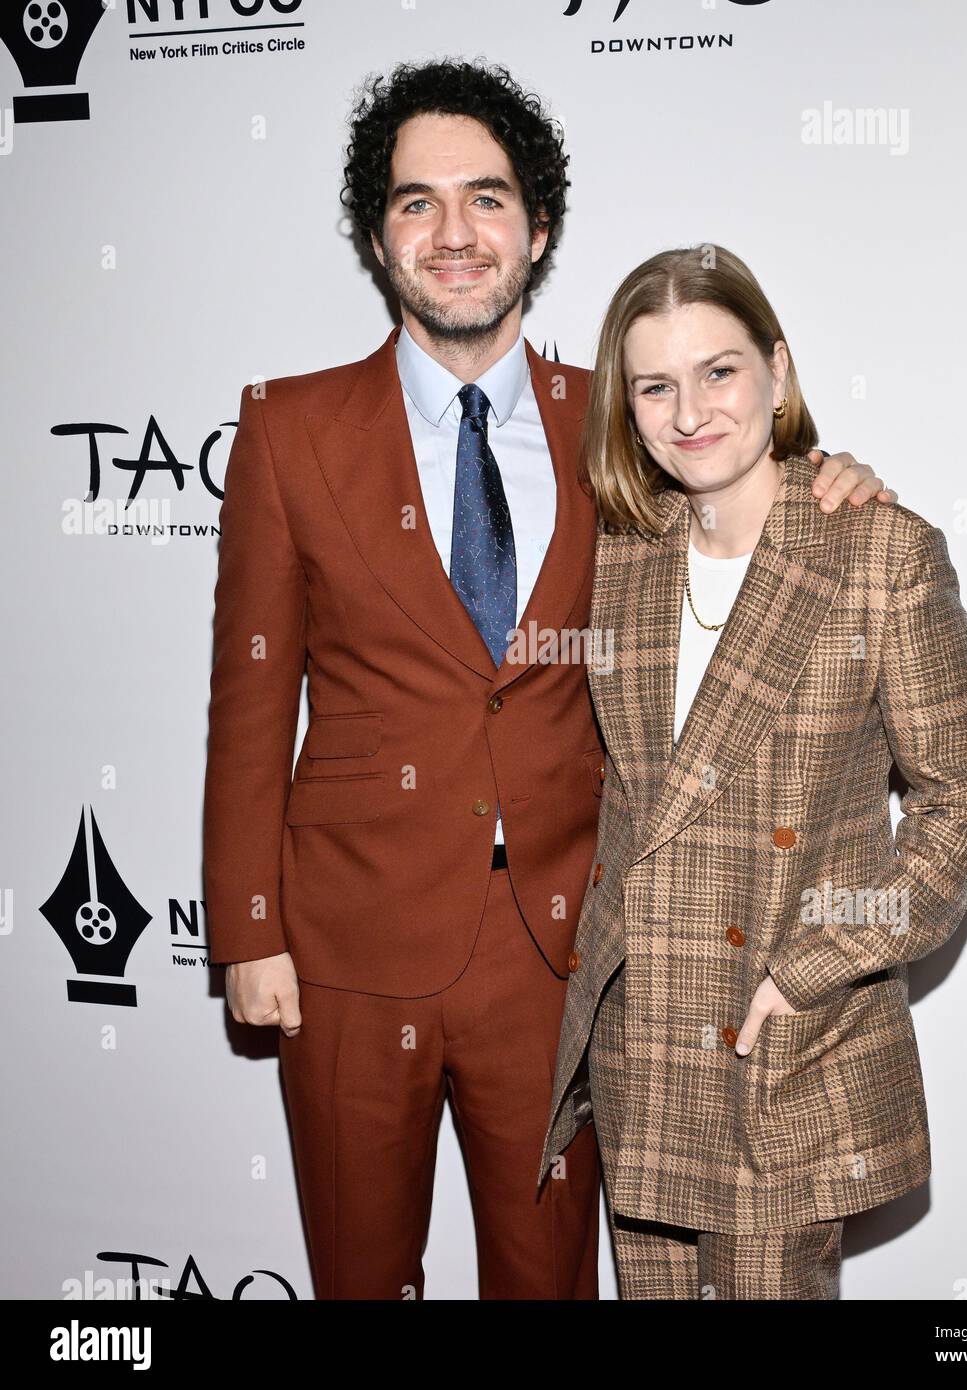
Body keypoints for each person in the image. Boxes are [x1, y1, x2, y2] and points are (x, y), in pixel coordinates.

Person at [203, 61, 895, 1301]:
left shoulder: (613, 423)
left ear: (538, 229)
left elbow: (734, 468)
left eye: (485, 199)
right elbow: (250, 702)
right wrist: (247, 927)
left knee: (552, 1284)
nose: (455, 233)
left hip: (569, 960)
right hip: (349, 951)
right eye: (417, 204)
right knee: (361, 1280)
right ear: (378, 236)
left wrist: (828, 475)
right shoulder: (288, 428)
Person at [538, 244, 967, 1300]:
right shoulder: (617, 553)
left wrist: (813, 968)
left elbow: (964, 806)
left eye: (719, 371)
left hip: (779, 1047)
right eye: (655, 385)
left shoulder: (880, 552)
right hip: (644, 1038)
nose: (689, 410)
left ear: (779, 375)